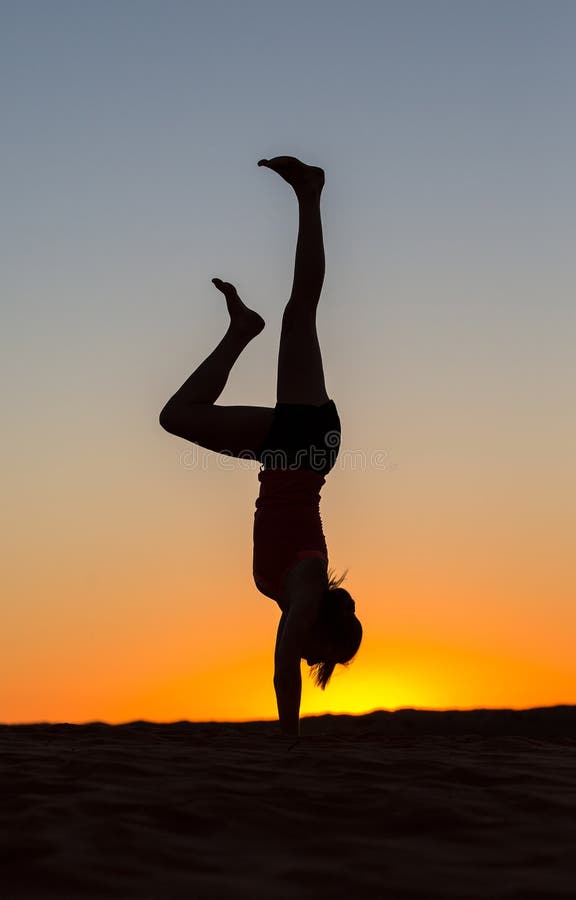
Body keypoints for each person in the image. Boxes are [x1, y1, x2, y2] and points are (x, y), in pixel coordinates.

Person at [159, 156, 363, 736]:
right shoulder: (304, 588)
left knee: (177, 417)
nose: (307, 657)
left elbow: (287, 654)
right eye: (320, 654)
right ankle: (310, 192)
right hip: (300, 449)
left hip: (284, 457)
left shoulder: (292, 596)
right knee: (301, 312)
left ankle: (241, 330)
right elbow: (282, 666)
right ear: (322, 628)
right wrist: (289, 740)